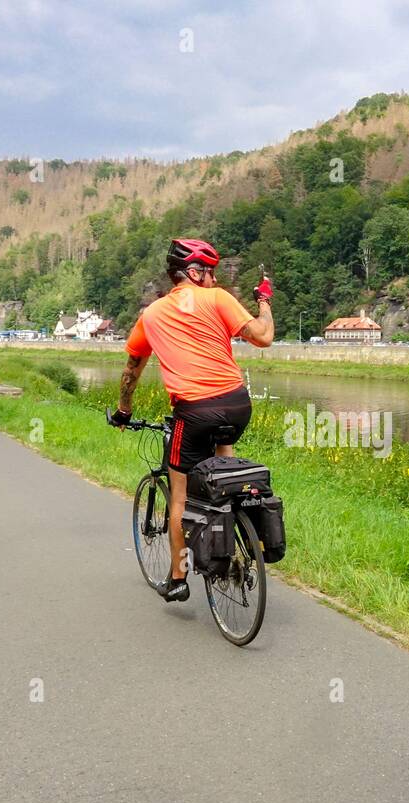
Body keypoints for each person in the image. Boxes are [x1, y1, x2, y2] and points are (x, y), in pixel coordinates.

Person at [109, 238, 274, 602]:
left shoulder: (151, 315)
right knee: (223, 470)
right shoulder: (219, 300)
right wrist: (264, 301)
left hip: (194, 411)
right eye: (209, 272)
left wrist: (124, 410)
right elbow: (263, 336)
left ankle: (178, 576)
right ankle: (234, 531)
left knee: (179, 497)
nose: (213, 279)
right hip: (237, 404)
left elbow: (132, 371)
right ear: (194, 273)